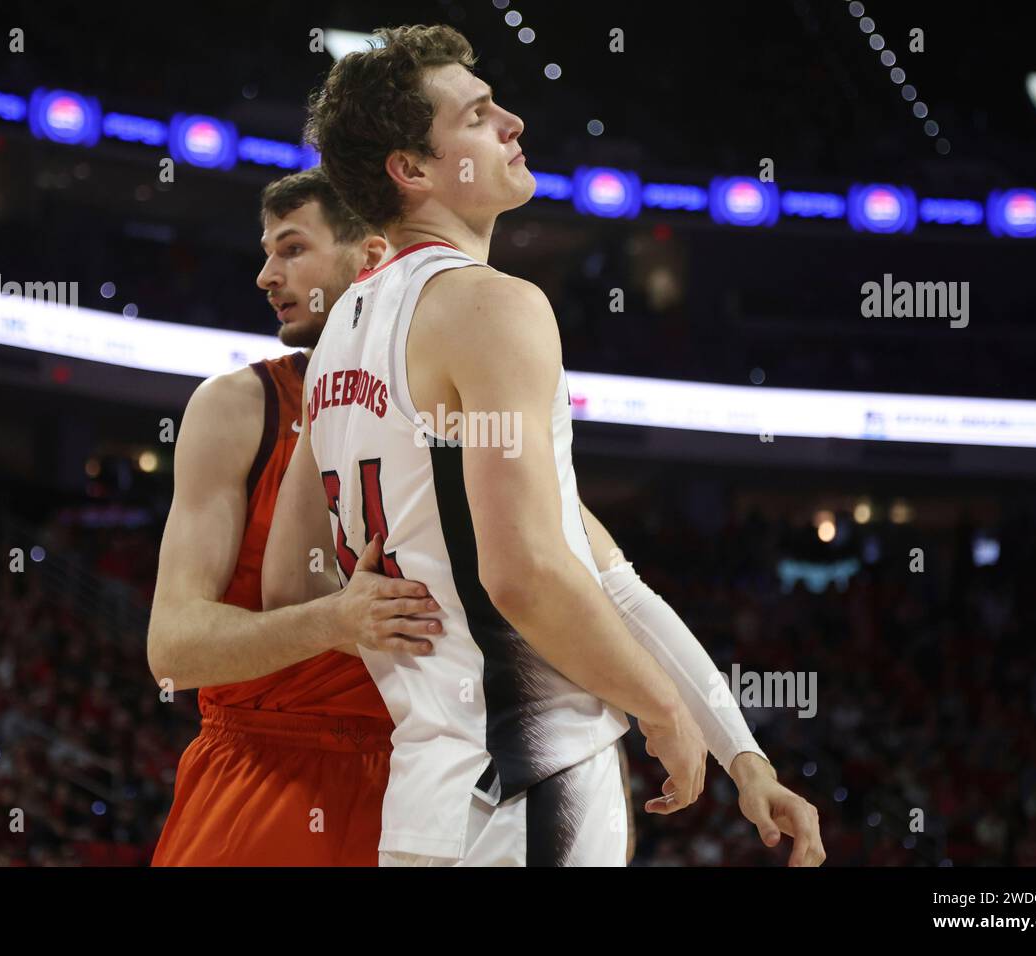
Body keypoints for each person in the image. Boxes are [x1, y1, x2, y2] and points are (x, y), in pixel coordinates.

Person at [264, 23, 825, 867]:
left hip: (424, 804)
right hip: (531, 782)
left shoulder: (339, 333)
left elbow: (600, 575)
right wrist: (660, 710)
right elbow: (525, 570)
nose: (514, 122)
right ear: (412, 170)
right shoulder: (491, 305)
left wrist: (742, 754)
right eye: (480, 115)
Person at [149, 168, 438, 866]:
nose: (265, 275)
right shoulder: (239, 405)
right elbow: (174, 650)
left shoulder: (447, 400)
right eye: (268, 251)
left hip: (419, 784)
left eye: (291, 249)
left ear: (368, 255)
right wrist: (333, 623)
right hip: (263, 775)